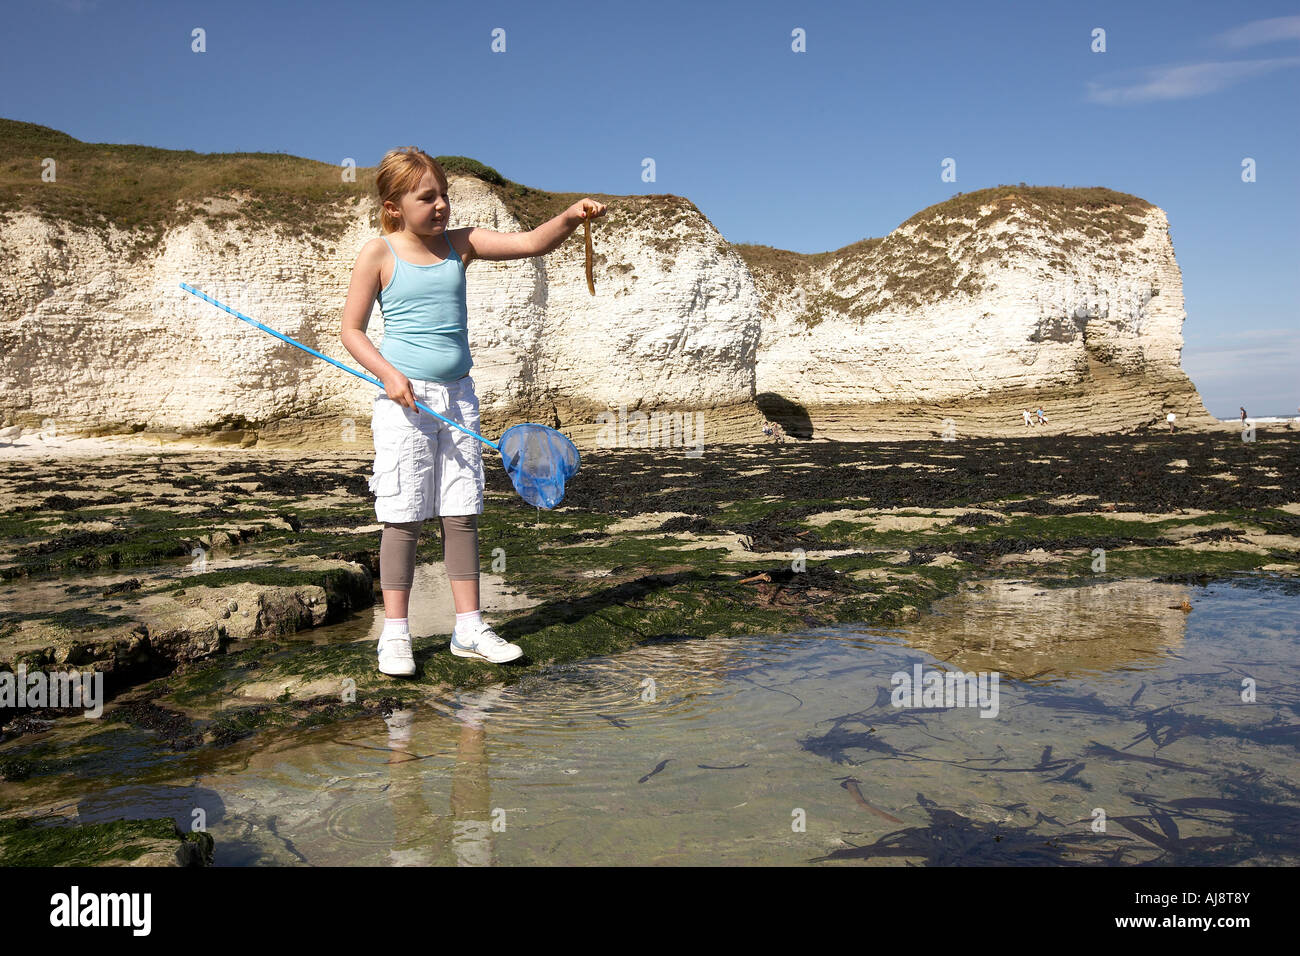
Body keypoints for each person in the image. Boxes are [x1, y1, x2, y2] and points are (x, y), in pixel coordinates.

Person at [341, 147, 607, 675]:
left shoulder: (460, 244)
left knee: (461, 514)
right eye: (427, 197)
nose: (440, 205)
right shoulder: (378, 253)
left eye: (444, 195)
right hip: (404, 401)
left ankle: (470, 628)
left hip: (459, 397)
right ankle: (395, 635)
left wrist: (570, 216)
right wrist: (390, 376)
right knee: (404, 517)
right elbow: (351, 330)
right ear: (394, 205)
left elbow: (532, 243)